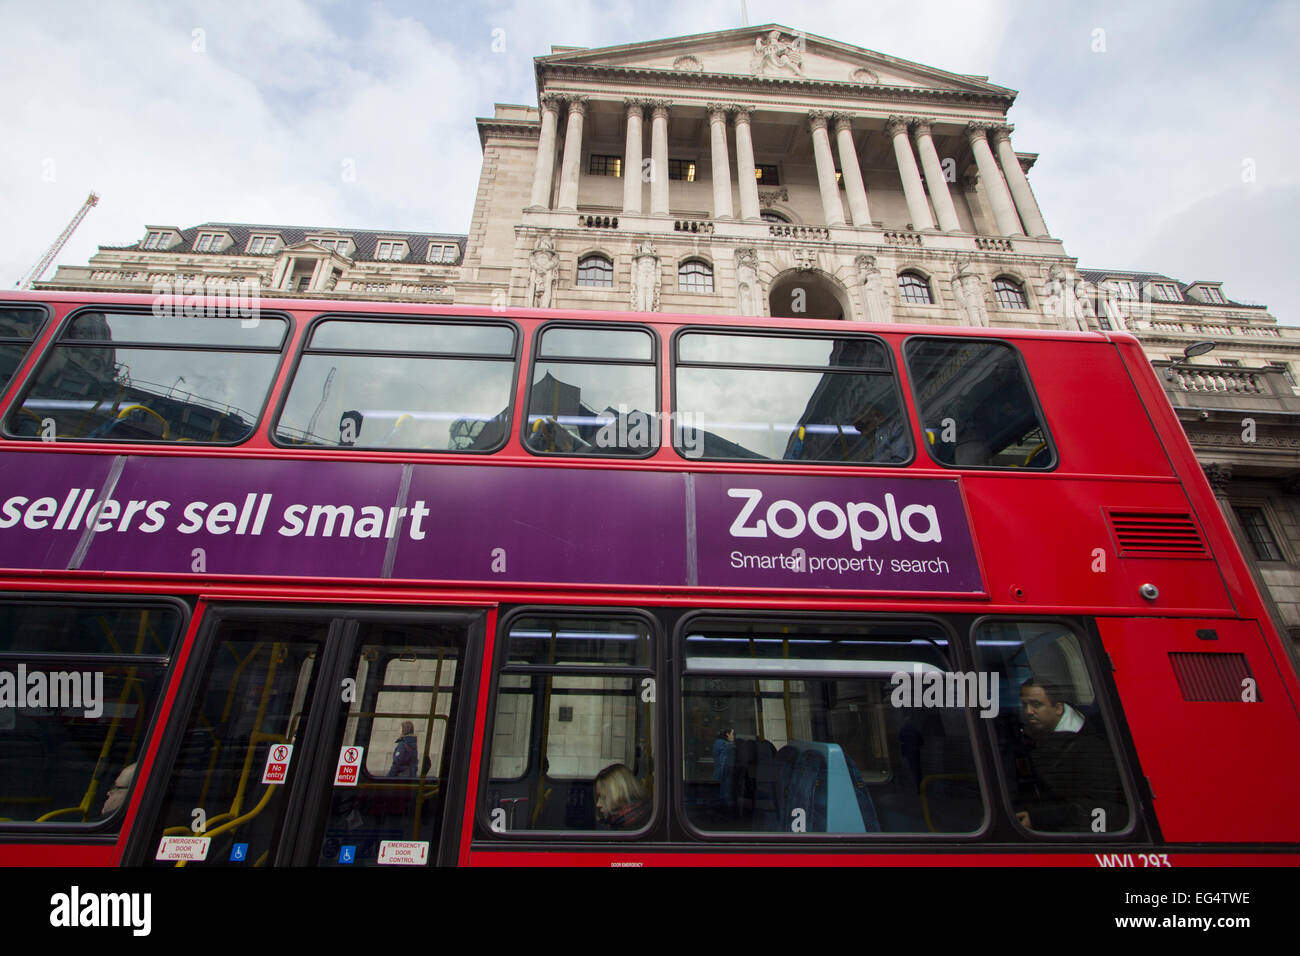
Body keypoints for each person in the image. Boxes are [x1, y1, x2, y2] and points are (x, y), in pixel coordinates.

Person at [1014, 678, 1126, 832]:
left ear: (1058, 708)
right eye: (1024, 705)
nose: (1028, 712)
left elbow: (1096, 807)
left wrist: (1038, 818)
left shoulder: (1090, 748)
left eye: (1036, 705)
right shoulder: (1031, 737)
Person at [593, 763, 650, 829]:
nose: (598, 804)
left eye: (604, 798)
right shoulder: (620, 822)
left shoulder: (631, 829)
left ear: (620, 796)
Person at [712, 728, 735, 809]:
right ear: (727, 734)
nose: (733, 736)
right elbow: (724, 762)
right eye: (732, 734)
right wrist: (732, 743)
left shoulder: (717, 743)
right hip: (724, 775)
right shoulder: (726, 745)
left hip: (717, 773)